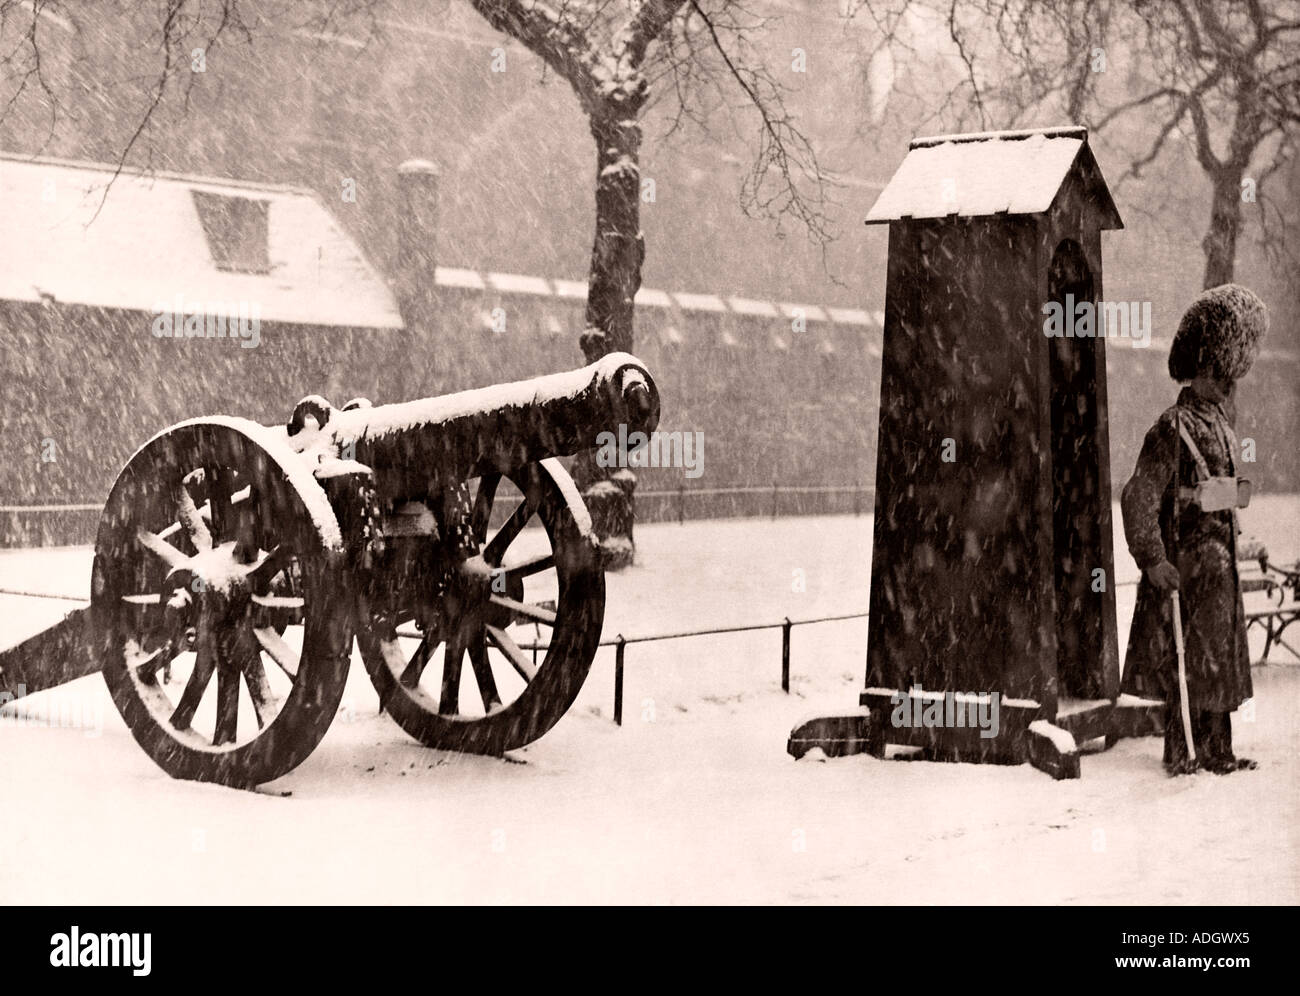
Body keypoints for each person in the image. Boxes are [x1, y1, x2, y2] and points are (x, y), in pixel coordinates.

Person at [1120, 284, 1268, 775]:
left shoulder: (1221, 425)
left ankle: (1219, 750)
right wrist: (1153, 558)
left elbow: (1216, 492)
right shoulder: (1171, 426)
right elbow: (1139, 494)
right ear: (1202, 371)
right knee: (1186, 666)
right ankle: (1182, 751)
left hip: (1219, 573)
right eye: (1222, 377)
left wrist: (1229, 495)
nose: (1229, 386)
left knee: (1218, 664)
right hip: (1185, 570)